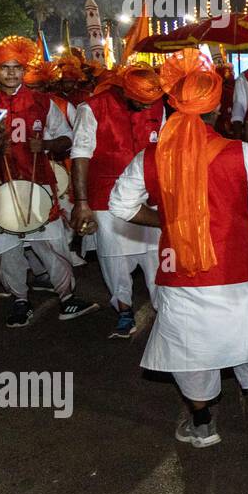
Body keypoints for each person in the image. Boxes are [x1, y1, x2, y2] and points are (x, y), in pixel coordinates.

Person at [108, 49, 248, 448]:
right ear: (215, 110)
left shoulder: (149, 158)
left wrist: (167, 219)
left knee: (189, 349)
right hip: (235, 270)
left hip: (180, 274)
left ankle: (203, 425)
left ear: (173, 106)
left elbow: (120, 206)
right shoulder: (240, 153)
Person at [0, 35, 98, 327]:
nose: (11, 73)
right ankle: (20, 300)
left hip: (40, 184)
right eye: (4, 67)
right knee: (6, 251)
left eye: (16, 67)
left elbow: (66, 138)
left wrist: (45, 146)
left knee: (53, 244)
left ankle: (67, 298)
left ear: (23, 70)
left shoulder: (41, 101)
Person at [68, 64, 166, 338]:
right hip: (106, 198)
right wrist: (82, 202)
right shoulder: (92, 108)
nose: (148, 109)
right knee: (114, 260)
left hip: (150, 196)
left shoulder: (157, 105)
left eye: (152, 103)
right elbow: (80, 155)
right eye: (141, 102)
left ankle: (165, 310)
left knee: (156, 257)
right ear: (125, 91)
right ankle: (124, 310)